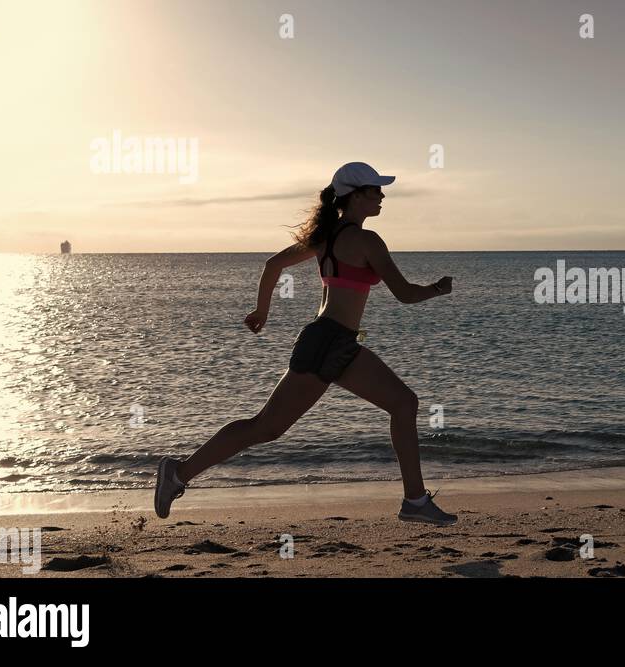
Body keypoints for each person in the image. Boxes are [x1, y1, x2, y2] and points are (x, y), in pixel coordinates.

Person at [153, 162, 457, 526]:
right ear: (355, 195)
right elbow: (405, 295)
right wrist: (438, 289)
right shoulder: (366, 241)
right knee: (266, 427)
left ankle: (415, 501)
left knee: (403, 403)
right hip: (327, 342)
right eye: (375, 189)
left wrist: (261, 310)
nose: (382, 195)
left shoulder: (324, 239)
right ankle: (178, 472)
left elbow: (272, 265)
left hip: (334, 341)